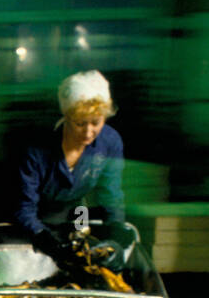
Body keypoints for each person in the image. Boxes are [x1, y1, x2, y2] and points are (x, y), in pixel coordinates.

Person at [13, 70, 132, 277]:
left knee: (81, 250)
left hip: (76, 210)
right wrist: (47, 242)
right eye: (79, 123)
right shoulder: (36, 149)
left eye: (96, 123)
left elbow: (110, 194)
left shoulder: (110, 142)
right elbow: (24, 207)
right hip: (30, 218)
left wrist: (115, 235)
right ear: (66, 116)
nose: (88, 132)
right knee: (29, 268)